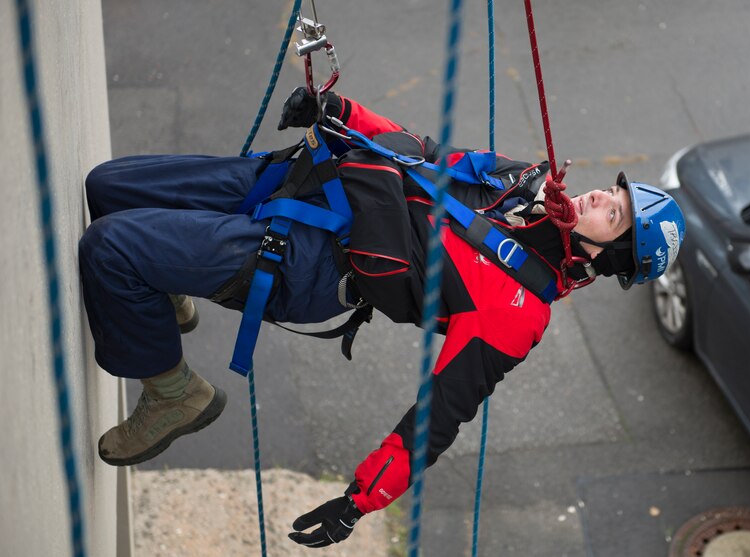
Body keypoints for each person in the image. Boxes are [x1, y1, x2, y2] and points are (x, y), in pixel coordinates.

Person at [79, 87, 685, 548]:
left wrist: (359, 501)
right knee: (106, 187)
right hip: (311, 180)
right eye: (614, 192)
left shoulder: (516, 312)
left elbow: (438, 416)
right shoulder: (523, 182)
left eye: (615, 216)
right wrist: (340, 107)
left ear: (605, 257)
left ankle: (172, 392)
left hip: (311, 263)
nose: (601, 198)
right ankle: (163, 294)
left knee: (109, 248)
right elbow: (419, 153)